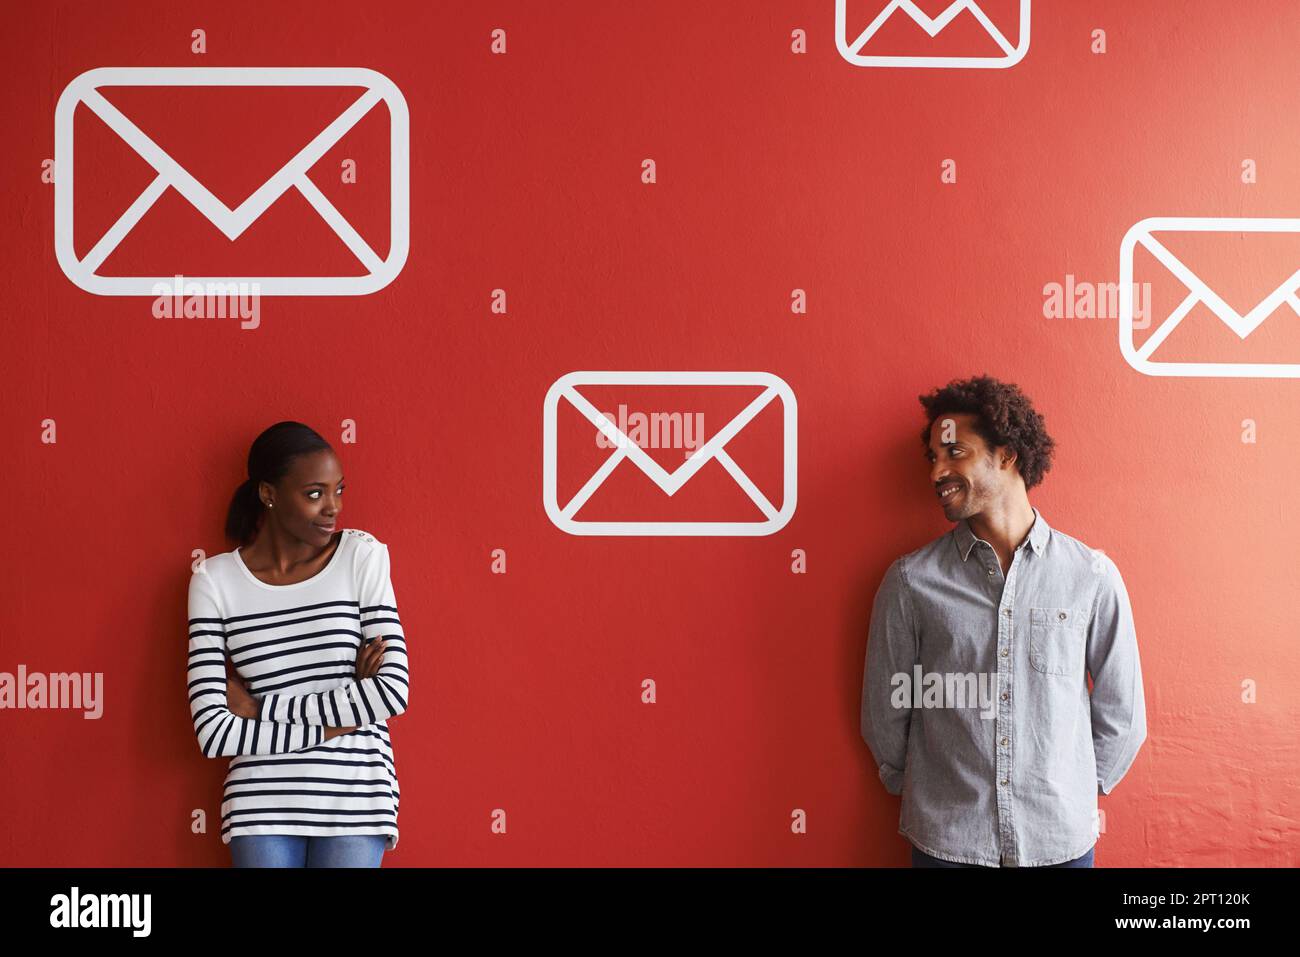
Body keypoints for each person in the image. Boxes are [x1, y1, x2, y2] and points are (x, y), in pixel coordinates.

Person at [860, 375, 1147, 867]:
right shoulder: (911, 581)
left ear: (1007, 455)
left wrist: (1072, 788)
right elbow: (885, 711)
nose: (937, 472)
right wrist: (931, 791)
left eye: (955, 453)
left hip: (1060, 844)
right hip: (947, 843)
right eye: (933, 458)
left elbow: (1124, 712)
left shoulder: (1091, 576)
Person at [186, 421, 409, 867]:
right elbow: (212, 732)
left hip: (355, 797)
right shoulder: (214, 580)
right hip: (260, 803)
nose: (333, 508)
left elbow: (391, 692)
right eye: (314, 494)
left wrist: (260, 708)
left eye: (338, 490)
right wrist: (349, 713)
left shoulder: (361, 556)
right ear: (268, 494)